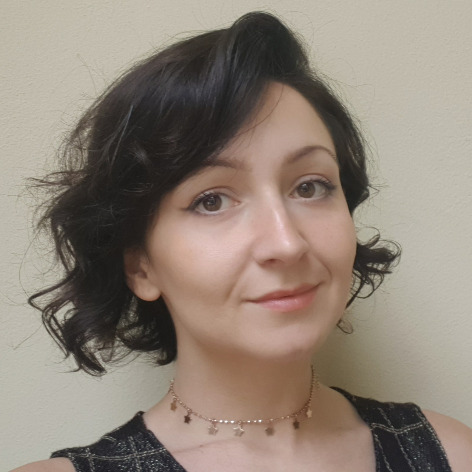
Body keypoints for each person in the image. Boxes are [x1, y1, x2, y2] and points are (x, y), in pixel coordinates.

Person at [12, 11, 472, 472]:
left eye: (310, 187)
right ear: (140, 266)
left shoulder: (453, 455)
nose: (286, 244)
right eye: (211, 200)